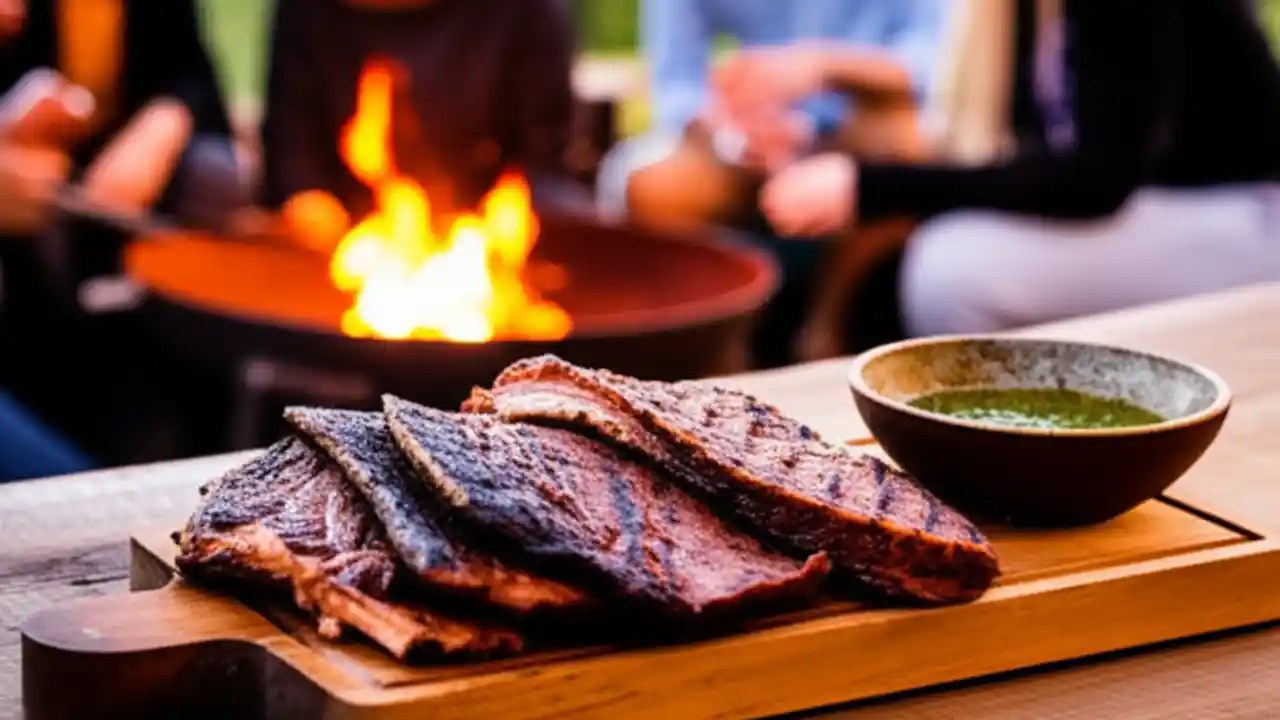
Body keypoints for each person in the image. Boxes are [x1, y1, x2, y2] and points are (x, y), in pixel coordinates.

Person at [752, 0, 1280, 337]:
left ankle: (995, 456)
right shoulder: (1012, 13)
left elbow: (1097, 180)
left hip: (1246, 216)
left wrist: (870, 188)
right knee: (936, 241)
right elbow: (1009, 146)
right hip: (1161, 205)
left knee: (953, 269)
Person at [596, 1, 944, 366]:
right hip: (741, 146)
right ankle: (717, 354)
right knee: (649, 185)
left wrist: (821, 66)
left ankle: (830, 343)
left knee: (908, 146)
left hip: (857, 147)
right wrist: (733, 137)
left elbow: (937, 69)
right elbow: (677, 85)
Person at [261, 0, 584, 252]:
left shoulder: (524, 12)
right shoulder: (306, 13)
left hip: (487, 236)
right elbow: (291, 147)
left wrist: (504, 222)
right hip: (350, 241)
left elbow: (545, 151)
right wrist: (305, 199)